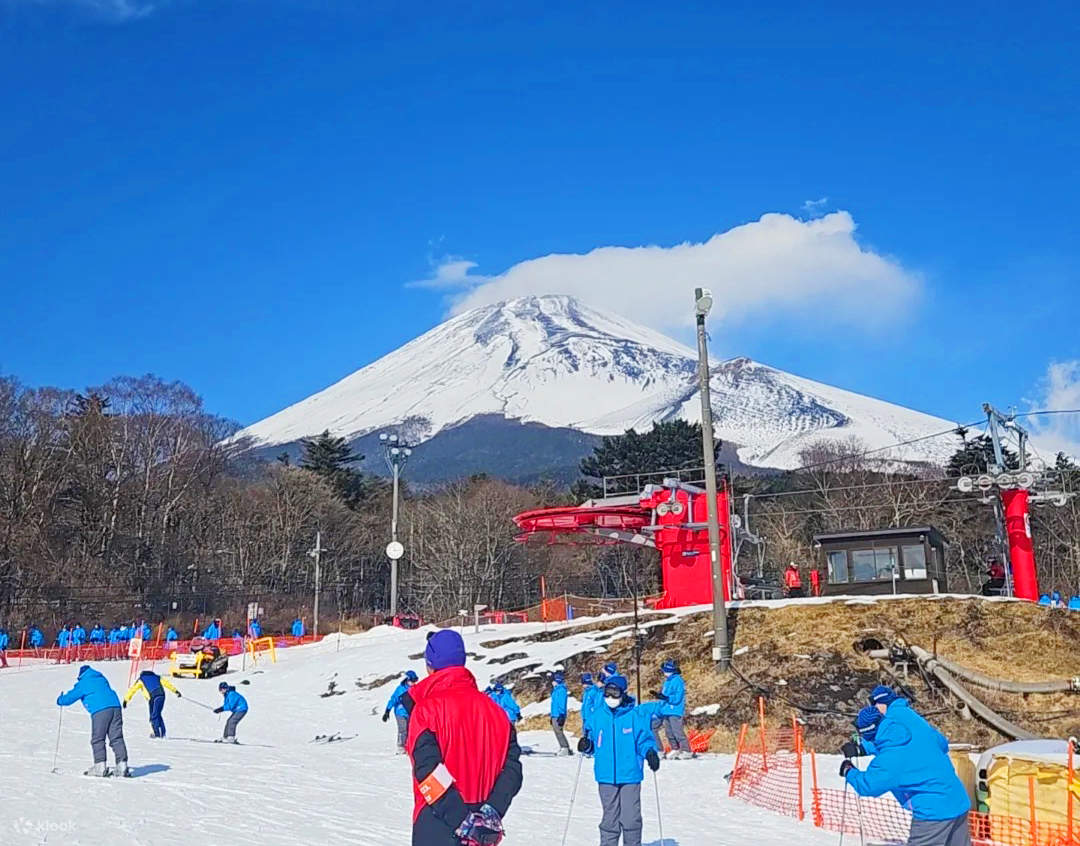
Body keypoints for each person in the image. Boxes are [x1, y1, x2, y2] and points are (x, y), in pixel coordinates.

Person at [402, 629, 522, 846]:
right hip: (483, 826)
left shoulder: (426, 710)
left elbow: (427, 770)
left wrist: (462, 820)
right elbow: (512, 768)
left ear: (430, 665)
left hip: (436, 821)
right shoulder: (496, 711)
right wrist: (492, 810)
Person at [844, 685, 971, 846]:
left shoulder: (889, 760)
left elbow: (869, 785)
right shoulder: (904, 724)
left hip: (933, 812)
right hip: (957, 799)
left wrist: (849, 771)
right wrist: (863, 748)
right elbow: (939, 743)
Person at [577, 674, 660, 846]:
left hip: (630, 774)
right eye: (607, 692)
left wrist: (650, 752)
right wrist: (586, 745)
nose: (610, 697)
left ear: (623, 693)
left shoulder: (634, 715)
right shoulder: (597, 716)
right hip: (606, 775)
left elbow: (643, 740)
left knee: (630, 817)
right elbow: (592, 742)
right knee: (610, 818)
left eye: (615, 693)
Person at [57, 665, 130, 777]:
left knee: (98, 739)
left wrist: (60, 700)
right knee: (116, 738)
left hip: (100, 710)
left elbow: (69, 698)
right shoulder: (101, 678)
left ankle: (100, 768)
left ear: (81, 675)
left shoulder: (83, 683)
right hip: (116, 706)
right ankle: (122, 766)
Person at [124, 668, 181, 738]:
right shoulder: (157, 677)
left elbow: (132, 690)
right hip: (162, 696)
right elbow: (167, 684)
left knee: (153, 716)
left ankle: (156, 734)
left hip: (153, 697)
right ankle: (163, 733)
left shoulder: (141, 679)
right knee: (157, 714)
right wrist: (176, 691)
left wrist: (126, 700)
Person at [653, 659, 691, 759]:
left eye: (665, 670)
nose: (664, 673)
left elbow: (678, 697)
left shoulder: (678, 681)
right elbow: (665, 695)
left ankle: (686, 750)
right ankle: (675, 748)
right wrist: (660, 700)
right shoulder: (667, 681)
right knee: (669, 732)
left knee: (677, 731)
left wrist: (667, 698)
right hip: (666, 710)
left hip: (675, 710)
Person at [383, 670, 419, 754]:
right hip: (400, 712)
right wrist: (387, 711)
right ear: (408, 680)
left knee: (410, 729)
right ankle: (401, 746)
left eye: (415, 681)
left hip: (410, 712)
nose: (414, 683)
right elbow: (393, 699)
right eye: (412, 681)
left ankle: (409, 746)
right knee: (403, 729)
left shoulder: (416, 688)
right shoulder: (400, 689)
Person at [549, 671, 572, 756]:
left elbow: (561, 703)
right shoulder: (556, 690)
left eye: (553, 680)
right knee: (557, 730)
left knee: (558, 731)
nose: (552, 682)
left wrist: (561, 714)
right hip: (555, 714)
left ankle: (565, 747)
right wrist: (552, 716)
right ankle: (564, 747)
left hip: (559, 714)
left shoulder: (561, 690)